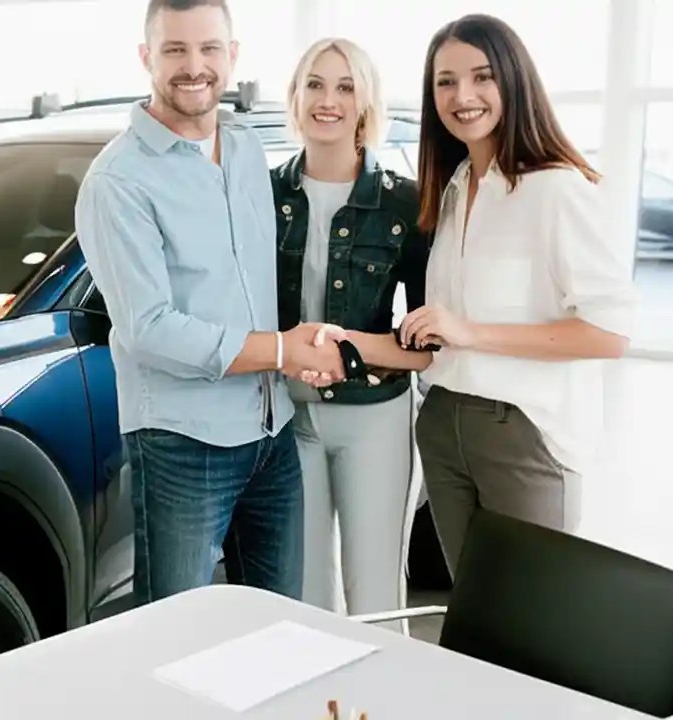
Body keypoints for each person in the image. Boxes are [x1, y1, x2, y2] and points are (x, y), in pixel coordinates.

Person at [75, 0, 347, 606]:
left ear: (232, 56)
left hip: (271, 432)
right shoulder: (117, 182)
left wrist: (298, 349)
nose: (193, 66)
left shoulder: (247, 149)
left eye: (208, 49)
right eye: (175, 50)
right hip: (183, 446)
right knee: (177, 636)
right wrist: (280, 349)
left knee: (279, 627)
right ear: (147, 58)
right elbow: (149, 328)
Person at [401, 14, 638, 578]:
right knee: (476, 614)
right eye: (445, 81)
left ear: (514, 80)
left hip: (524, 434)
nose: (462, 96)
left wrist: (472, 331)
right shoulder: (454, 189)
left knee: (533, 622)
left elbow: (609, 334)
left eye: (482, 76)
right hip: (444, 422)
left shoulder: (558, 189)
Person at [271, 38, 433, 621]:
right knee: (304, 599)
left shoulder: (405, 205)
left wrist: (346, 347)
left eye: (345, 87)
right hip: (288, 418)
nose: (328, 100)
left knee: (375, 601)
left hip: (376, 418)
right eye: (315, 84)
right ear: (295, 95)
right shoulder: (261, 195)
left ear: (365, 102)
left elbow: (424, 350)